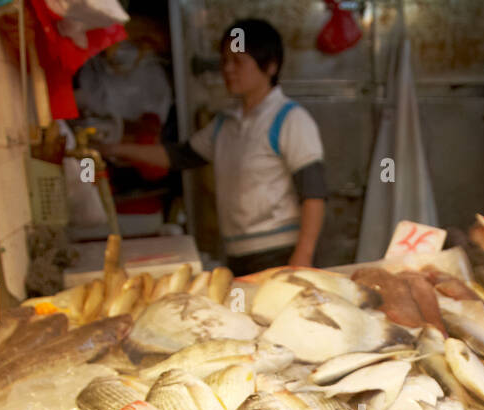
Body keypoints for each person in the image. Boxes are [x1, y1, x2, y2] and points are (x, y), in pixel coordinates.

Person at [103, 18, 327, 273]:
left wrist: (302, 256)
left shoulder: (290, 118)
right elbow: (180, 156)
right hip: (237, 254)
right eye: (225, 61)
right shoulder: (225, 123)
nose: (228, 69)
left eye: (238, 61)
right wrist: (112, 149)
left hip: (280, 252)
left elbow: (314, 192)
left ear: (271, 66)